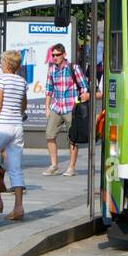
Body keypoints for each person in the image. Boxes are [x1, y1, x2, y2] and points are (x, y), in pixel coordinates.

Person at [0, 51, 27, 220]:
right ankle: (18, 207)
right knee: (15, 167)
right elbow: (24, 105)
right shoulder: (22, 81)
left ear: (6, 64)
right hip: (17, 127)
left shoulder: (2, 79)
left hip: (2, 125)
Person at [43, 43, 91, 177]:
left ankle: (71, 167)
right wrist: (47, 107)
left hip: (71, 107)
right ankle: (54, 165)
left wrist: (81, 101)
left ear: (64, 55)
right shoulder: (52, 69)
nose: (55, 57)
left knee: (73, 138)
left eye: (57, 55)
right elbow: (48, 89)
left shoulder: (73, 68)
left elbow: (84, 87)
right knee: (50, 135)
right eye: (53, 55)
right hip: (56, 106)